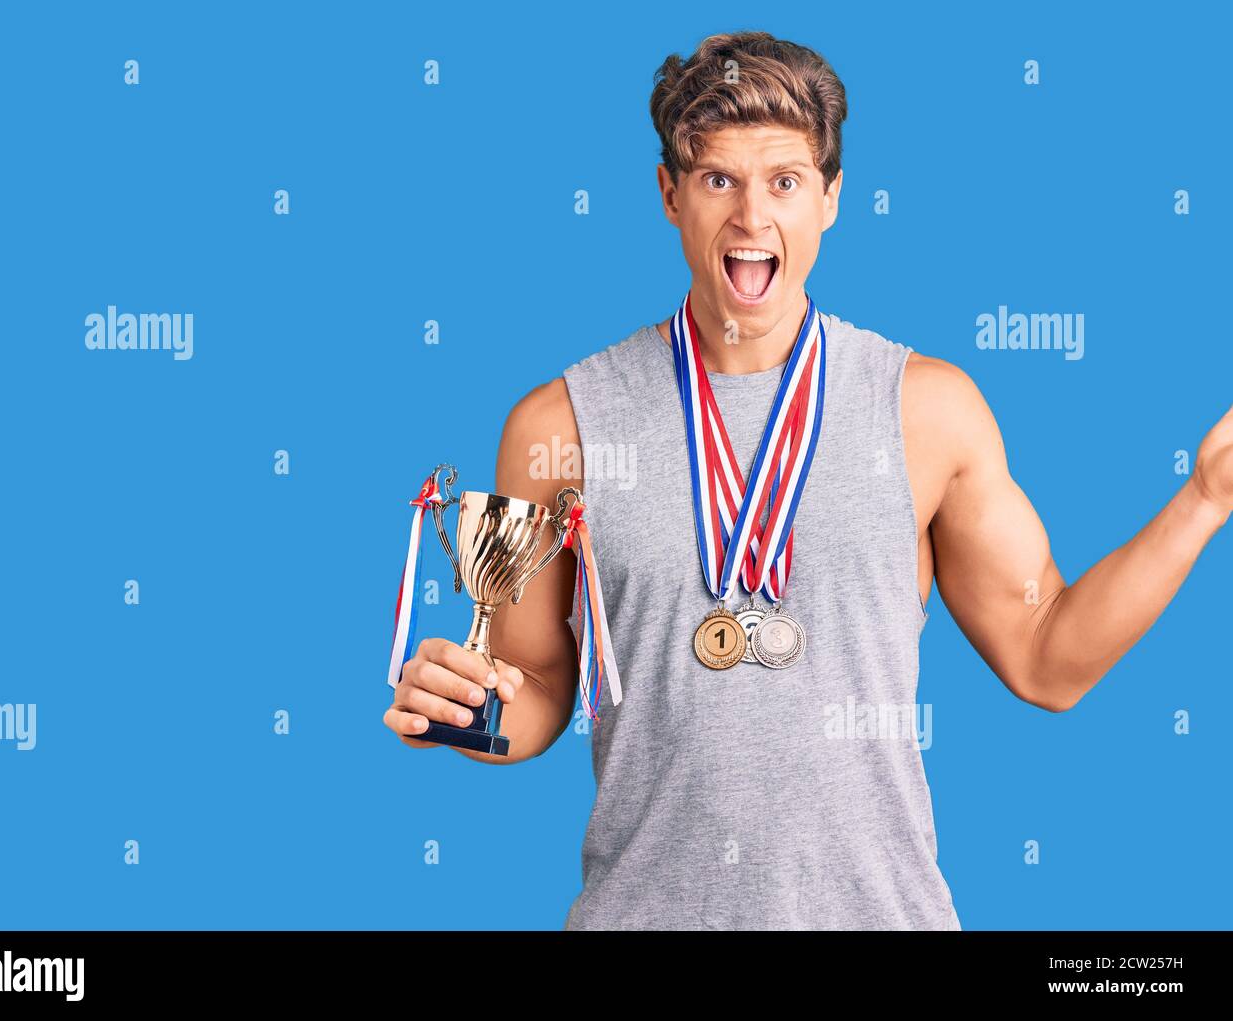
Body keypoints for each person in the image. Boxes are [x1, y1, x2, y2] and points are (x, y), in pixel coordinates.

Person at [382, 31, 1233, 930]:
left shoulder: (928, 411)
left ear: (831, 198)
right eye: (718, 180)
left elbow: (1047, 657)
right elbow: (542, 687)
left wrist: (1205, 499)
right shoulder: (560, 427)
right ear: (669, 194)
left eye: (784, 181)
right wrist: (469, 712)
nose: (752, 217)